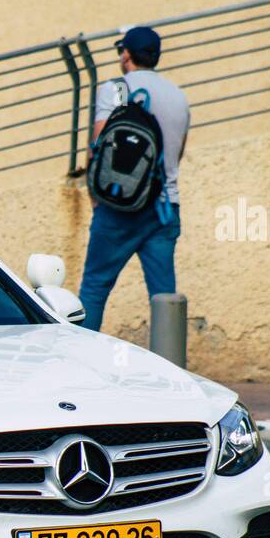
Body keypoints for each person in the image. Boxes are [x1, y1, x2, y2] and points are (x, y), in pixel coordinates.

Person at [78, 25, 190, 332]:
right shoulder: (179, 98)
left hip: (117, 206)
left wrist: (98, 203)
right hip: (164, 209)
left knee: (95, 288)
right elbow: (175, 157)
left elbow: (97, 150)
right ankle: (171, 367)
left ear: (126, 54)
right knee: (164, 297)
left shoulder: (114, 89)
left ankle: (80, 366)